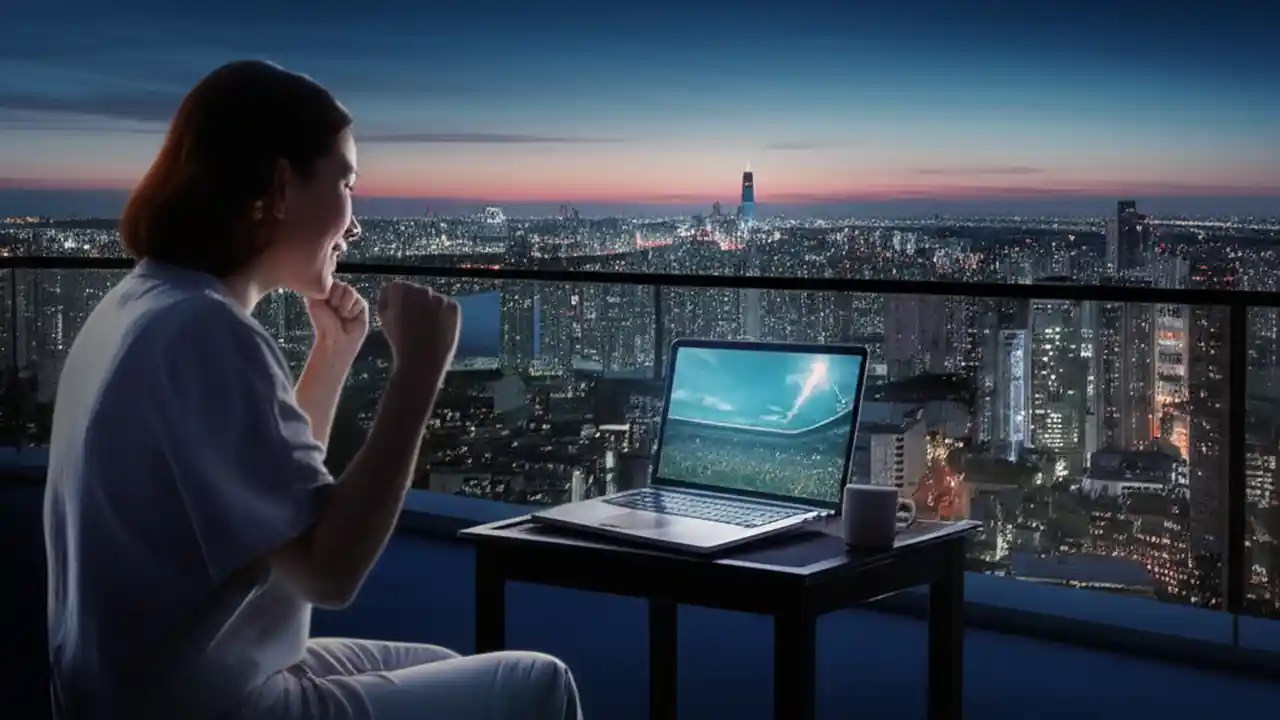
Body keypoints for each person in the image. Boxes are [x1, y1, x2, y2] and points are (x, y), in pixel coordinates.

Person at [42, 60, 583, 720]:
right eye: (346, 183)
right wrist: (420, 370)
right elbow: (329, 570)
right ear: (280, 186)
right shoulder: (204, 331)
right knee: (540, 684)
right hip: (205, 703)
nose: (355, 225)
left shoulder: (145, 302)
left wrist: (332, 355)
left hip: (150, 684)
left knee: (444, 664)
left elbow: (277, 497)